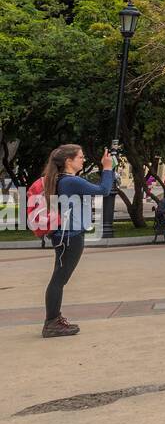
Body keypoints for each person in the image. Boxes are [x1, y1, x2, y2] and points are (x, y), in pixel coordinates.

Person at [37, 145, 116, 338]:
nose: (83, 160)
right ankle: (52, 322)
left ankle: (54, 319)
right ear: (68, 161)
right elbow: (104, 190)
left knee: (59, 278)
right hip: (69, 236)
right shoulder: (70, 181)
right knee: (59, 279)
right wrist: (107, 168)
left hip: (65, 235)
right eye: (80, 157)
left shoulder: (63, 180)